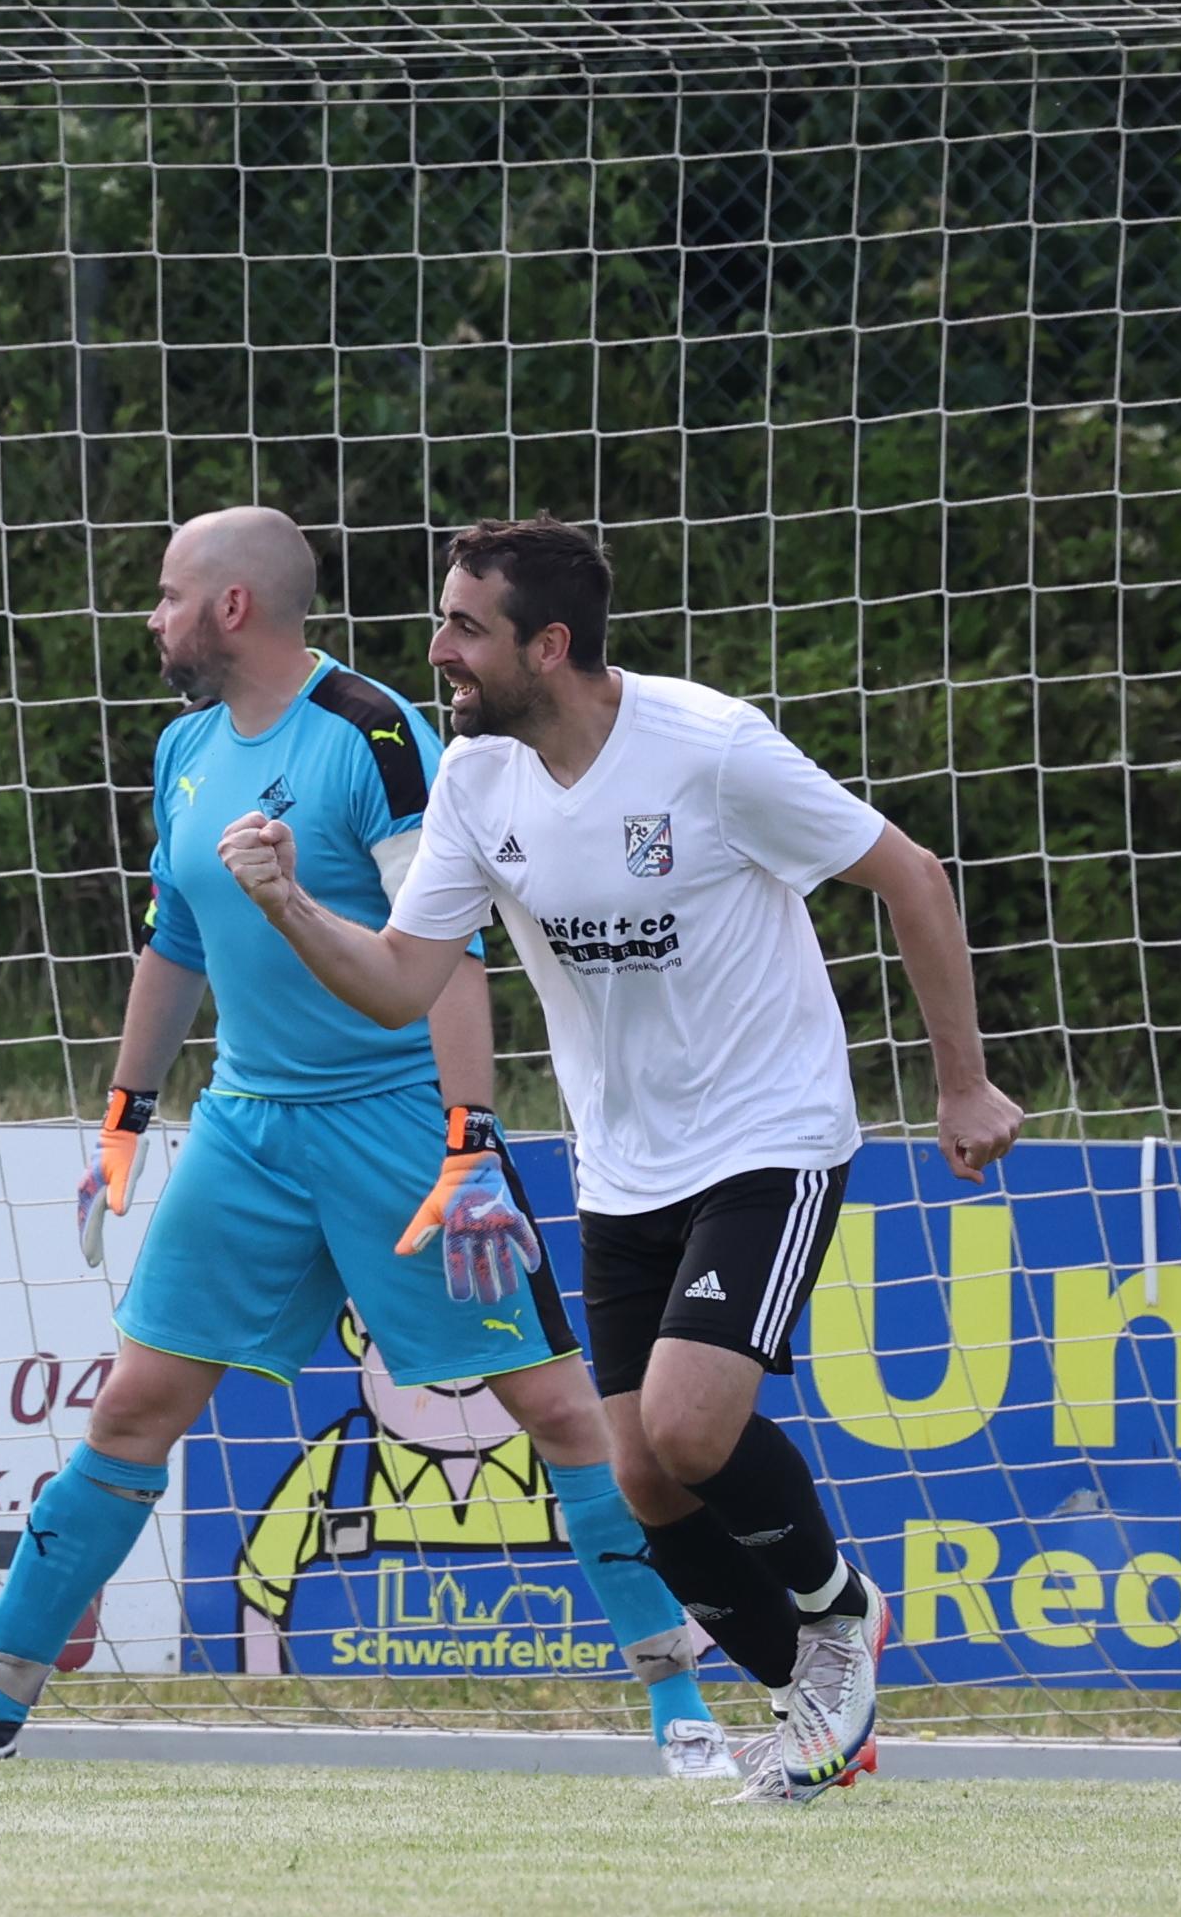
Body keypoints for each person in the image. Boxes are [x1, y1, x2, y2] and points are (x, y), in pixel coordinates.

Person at [0, 509, 706, 1775]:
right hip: (247, 1127)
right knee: (133, 1405)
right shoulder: (185, 747)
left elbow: (452, 952)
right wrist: (125, 1113)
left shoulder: (375, 733)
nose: (152, 618)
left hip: (396, 1129)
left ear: (233, 606)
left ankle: (680, 1709)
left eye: (167, 595)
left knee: (559, 1414)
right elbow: (176, 943)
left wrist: (469, 1143)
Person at [223, 516, 1024, 1800]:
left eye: (465, 627)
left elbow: (914, 878)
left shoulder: (711, 747)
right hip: (622, 1164)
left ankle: (841, 1617)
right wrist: (288, 902)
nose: (439, 651)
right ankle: (812, 1706)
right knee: (644, 1476)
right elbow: (400, 983)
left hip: (769, 1134)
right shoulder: (477, 782)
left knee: (689, 1428)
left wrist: (964, 1082)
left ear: (549, 644)